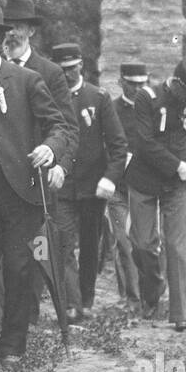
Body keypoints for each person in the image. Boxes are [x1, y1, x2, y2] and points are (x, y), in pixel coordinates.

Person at [0, 3, 76, 362]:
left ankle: (12, 347)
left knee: (21, 267)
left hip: (21, 191)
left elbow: (61, 126)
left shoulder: (25, 81)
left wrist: (49, 149)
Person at [1, 0, 78, 323]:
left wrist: (60, 163)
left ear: (31, 31)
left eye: (18, 27)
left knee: (37, 250)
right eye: (6, 27)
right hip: (1, 177)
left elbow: (69, 129)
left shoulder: (49, 72)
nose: (12, 34)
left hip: (38, 180)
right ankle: (8, 319)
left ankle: (27, 320)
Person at [124, 56, 186, 333]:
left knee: (176, 246)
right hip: (144, 181)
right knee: (142, 245)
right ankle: (153, 289)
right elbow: (145, 143)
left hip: (176, 185)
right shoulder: (146, 98)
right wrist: (177, 165)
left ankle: (181, 313)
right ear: (176, 83)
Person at [51, 42, 129, 321]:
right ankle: (72, 303)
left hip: (93, 187)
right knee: (62, 243)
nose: (67, 74)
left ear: (81, 65)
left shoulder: (97, 98)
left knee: (89, 245)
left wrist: (109, 178)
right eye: (61, 70)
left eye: (71, 68)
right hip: (61, 186)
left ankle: (86, 298)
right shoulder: (48, 97)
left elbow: (118, 145)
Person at [105, 62, 147, 309]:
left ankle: (150, 292)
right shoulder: (111, 110)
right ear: (122, 83)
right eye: (132, 84)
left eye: (142, 84)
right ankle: (132, 297)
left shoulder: (153, 108)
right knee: (123, 241)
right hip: (119, 186)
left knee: (148, 243)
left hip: (146, 189)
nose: (138, 89)